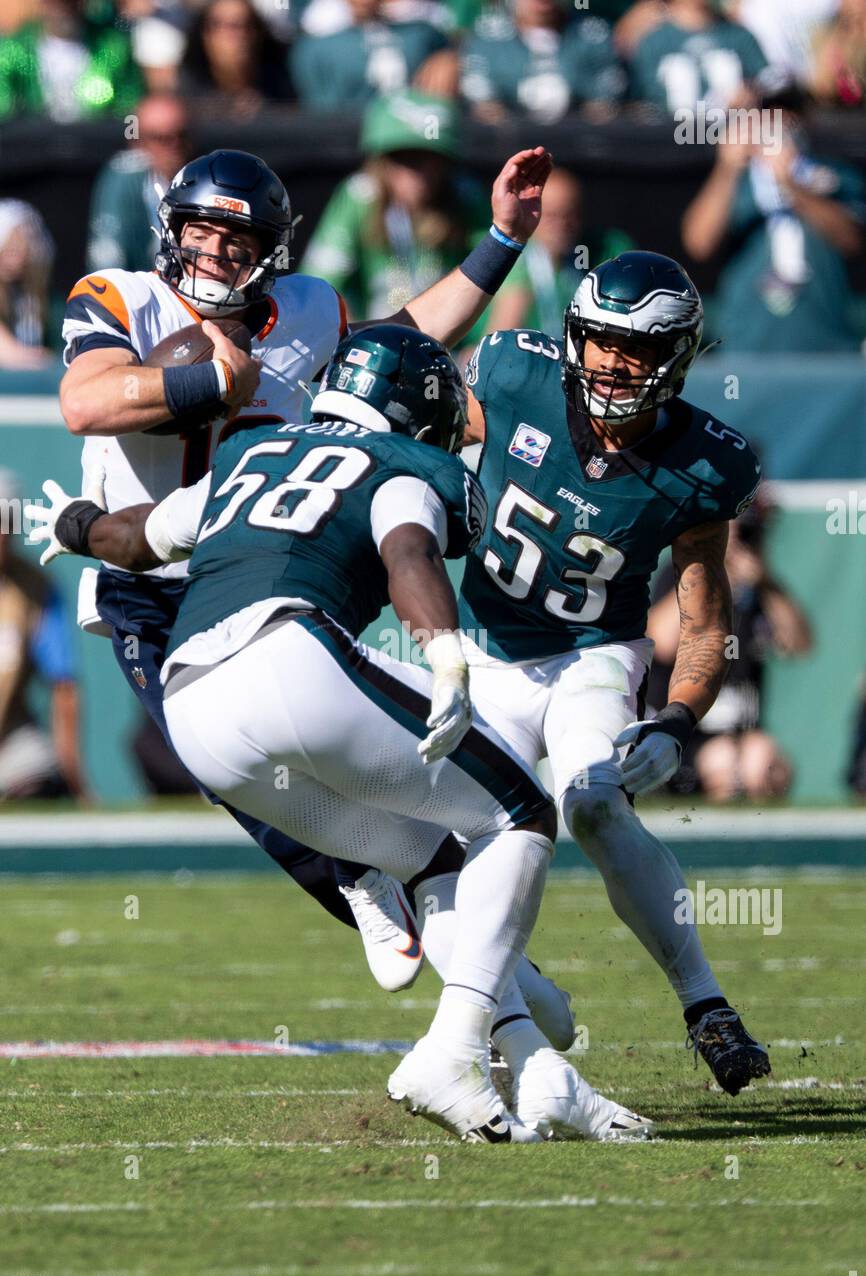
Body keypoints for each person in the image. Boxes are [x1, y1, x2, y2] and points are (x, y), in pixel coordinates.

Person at [29, 323, 654, 1145]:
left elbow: (134, 540)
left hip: (195, 712)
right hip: (288, 656)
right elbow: (408, 555)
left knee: (431, 861)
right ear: (414, 407)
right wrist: (446, 657)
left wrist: (70, 524)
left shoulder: (249, 454)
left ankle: (535, 1067)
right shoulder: (402, 462)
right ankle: (454, 1051)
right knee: (523, 815)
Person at [58, 142, 553, 990]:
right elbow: (85, 402)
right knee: (222, 762)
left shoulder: (308, 310)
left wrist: (501, 240)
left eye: (239, 242)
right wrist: (207, 384)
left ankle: (445, 909)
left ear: (271, 254)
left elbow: (408, 338)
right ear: (171, 230)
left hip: (257, 570)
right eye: (202, 234)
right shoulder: (119, 296)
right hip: (146, 569)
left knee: (319, 752)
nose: (216, 254)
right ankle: (360, 875)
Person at [457, 250, 772, 1096]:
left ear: (675, 356)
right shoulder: (512, 377)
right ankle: (522, 1013)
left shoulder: (704, 463)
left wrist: (676, 720)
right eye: (597, 339)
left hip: (591, 655)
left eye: (633, 348)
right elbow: (414, 430)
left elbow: (705, 622)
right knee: (459, 847)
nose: (609, 360)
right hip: (480, 653)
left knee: (591, 800)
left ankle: (706, 1006)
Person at [646, 493, 812, 800]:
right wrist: (712, 567)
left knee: (765, 763)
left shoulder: (760, 587)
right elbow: (662, 641)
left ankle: (758, 846)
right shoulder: (683, 572)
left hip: (741, 730)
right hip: (681, 733)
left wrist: (765, 582)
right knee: (725, 764)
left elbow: (799, 645)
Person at [681, 78, 865, 352]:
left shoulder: (834, 177)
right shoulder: (734, 185)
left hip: (827, 347)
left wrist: (792, 185)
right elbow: (698, 243)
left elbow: (853, 240)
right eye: (767, 113)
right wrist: (727, 169)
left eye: (787, 113)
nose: (778, 124)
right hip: (747, 346)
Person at [300, 93, 489, 331]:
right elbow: (319, 284)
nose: (419, 174)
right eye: (404, 159)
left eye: (432, 159)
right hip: (373, 344)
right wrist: (354, 342)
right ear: (381, 162)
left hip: (450, 348)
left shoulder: (466, 196)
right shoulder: (358, 195)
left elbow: (512, 281)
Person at [0, 468, 87, 802]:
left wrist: (73, 772)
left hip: (9, 736)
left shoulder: (34, 590)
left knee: (37, 772)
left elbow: (63, 684)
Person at [486, 167, 634, 338]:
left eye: (569, 215)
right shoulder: (516, 260)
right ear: (533, 214)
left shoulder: (603, 248)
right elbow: (499, 336)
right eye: (551, 216)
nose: (561, 225)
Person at [460, 0, 625, 124]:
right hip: (507, 148)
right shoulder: (485, 37)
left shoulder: (594, 34)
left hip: (579, 147)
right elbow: (483, 105)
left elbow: (604, 103)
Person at [86, 93, 191, 274]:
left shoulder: (203, 180)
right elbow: (108, 256)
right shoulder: (123, 178)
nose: (174, 145)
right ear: (139, 141)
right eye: (161, 138)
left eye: (181, 135)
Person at [291, 0, 453, 111]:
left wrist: (448, 58)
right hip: (343, 144)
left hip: (410, 138)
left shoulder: (422, 35)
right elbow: (320, 115)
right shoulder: (314, 48)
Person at [0, 0, 143, 121]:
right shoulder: (12, 50)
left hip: (98, 146)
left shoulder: (113, 46)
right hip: (28, 146)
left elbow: (129, 109)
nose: (63, 9)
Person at [628, 0, 767, 113]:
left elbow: (767, 89)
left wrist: (751, 95)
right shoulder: (654, 42)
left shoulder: (739, 35)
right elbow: (640, 104)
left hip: (730, 136)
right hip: (668, 140)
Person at [179, 0, 292, 120]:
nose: (234, 35)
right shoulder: (185, 87)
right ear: (205, 34)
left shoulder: (285, 81)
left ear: (257, 33)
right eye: (219, 24)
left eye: (243, 24)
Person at [0, 200, 55, 370]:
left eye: (17, 250)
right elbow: (10, 354)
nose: (15, 260)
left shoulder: (46, 303)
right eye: (7, 250)